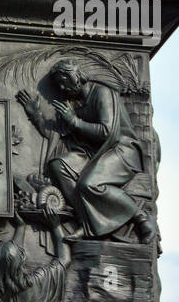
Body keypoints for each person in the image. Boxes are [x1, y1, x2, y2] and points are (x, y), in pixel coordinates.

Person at [18, 60, 155, 243]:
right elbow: (56, 132)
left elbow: (107, 132)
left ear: (74, 75)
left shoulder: (102, 93)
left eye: (63, 81)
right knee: (58, 165)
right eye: (58, 84)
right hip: (94, 153)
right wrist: (35, 115)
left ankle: (140, 217)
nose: (61, 87)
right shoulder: (73, 103)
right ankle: (84, 221)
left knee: (89, 183)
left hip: (120, 149)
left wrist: (74, 121)